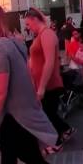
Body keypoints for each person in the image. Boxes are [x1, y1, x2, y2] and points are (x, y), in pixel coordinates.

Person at [0, 2, 83, 164]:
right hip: (17, 112)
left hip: (17, 115)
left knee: (31, 158)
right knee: (8, 146)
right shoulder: (15, 42)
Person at [24, 9, 74, 154]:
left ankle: (56, 142)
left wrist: (41, 87)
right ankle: (65, 130)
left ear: (34, 19)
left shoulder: (47, 34)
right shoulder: (40, 35)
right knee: (48, 112)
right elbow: (34, 60)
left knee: (47, 113)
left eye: (28, 23)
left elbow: (49, 62)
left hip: (49, 83)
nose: (27, 27)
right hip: (42, 82)